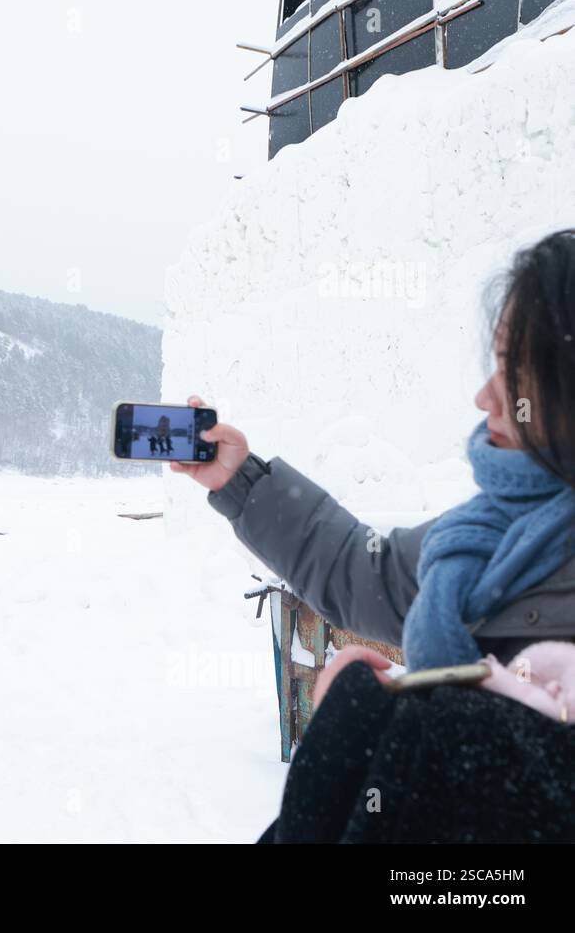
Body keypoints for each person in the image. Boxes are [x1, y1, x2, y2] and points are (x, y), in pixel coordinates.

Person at [175, 230, 575, 841]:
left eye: (515, 374)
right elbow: (367, 572)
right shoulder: (484, 535)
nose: (485, 397)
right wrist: (242, 483)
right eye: (494, 367)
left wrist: (375, 719)